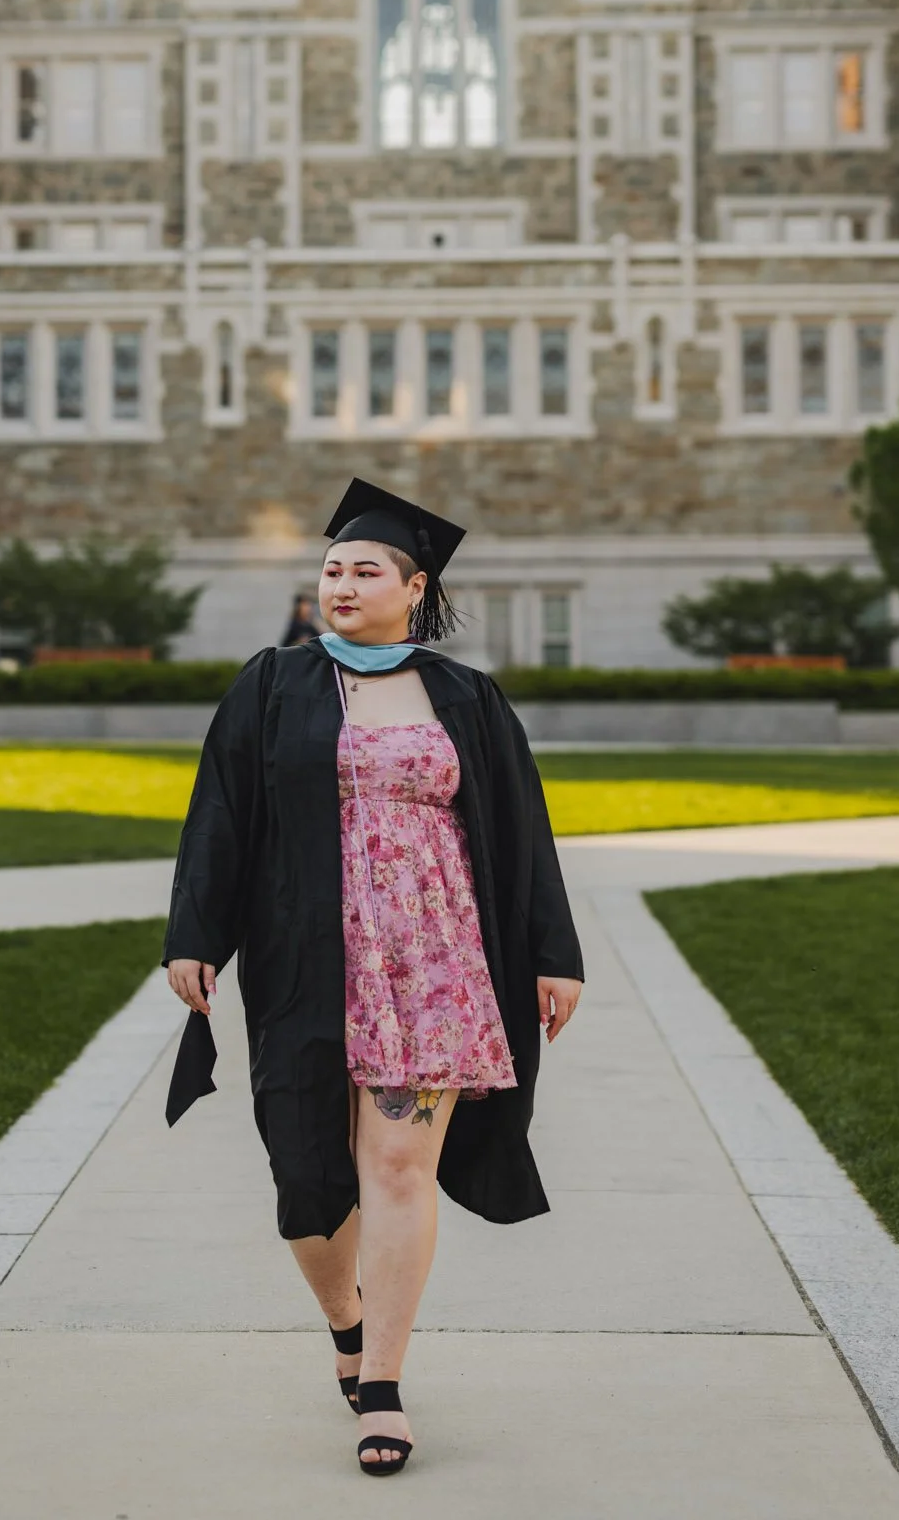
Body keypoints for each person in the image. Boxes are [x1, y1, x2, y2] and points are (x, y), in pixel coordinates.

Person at [164, 477, 584, 1479]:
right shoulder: (273, 684)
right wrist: (196, 935)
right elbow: (219, 812)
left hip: (433, 964)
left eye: (365, 570)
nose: (342, 584)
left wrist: (551, 951)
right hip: (309, 958)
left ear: (414, 586)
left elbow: (521, 829)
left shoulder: (466, 699)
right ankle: (346, 1321)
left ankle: (384, 1384)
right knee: (308, 1185)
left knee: (398, 1168)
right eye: (331, 569)